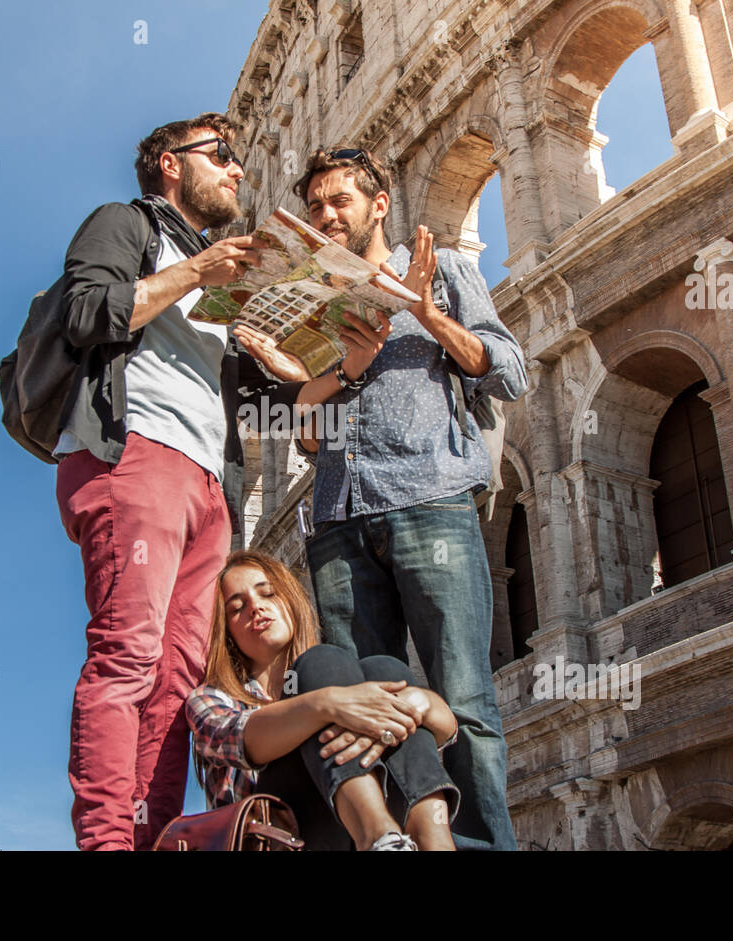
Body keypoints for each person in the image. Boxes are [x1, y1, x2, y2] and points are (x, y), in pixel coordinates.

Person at [264, 147, 529, 850]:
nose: (326, 215)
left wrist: (426, 314)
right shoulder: (314, 300)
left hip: (430, 499)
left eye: (338, 201)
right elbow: (314, 442)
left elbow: (509, 372)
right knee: (357, 703)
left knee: (464, 697)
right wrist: (314, 373)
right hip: (337, 520)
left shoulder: (443, 272)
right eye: (316, 206)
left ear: (379, 204)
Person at [51, 113, 303, 850]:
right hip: (137, 457)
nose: (235, 169)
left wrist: (319, 365)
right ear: (169, 163)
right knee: (127, 656)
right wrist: (195, 271)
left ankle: (156, 837)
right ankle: (105, 843)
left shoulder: (222, 279)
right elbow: (86, 312)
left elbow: (277, 409)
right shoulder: (127, 226)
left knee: (179, 687)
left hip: (209, 487)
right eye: (219, 155)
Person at [187, 550, 462, 850]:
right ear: (226, 632)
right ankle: (378, 836)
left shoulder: (346, 681)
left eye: (268, 594)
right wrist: (325, 704)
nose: (256, 608)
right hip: (280, 835)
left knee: (385, 670)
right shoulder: (209, 698)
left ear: (291, 600)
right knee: (321, 663)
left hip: (340, 832)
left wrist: (420, 702)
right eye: (237, 608)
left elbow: (446, 730)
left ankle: (431, 842)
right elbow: (238, 739)